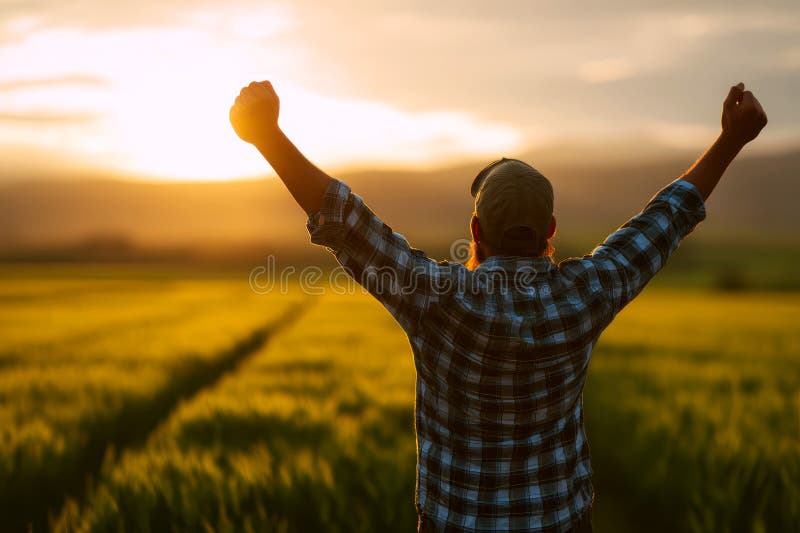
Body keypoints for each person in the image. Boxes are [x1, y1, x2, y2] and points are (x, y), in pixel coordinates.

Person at [229, 81, 767, 533]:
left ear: (475, 230)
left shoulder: (436, 299)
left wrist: (267, 136)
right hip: (559, 521)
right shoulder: (586, 294)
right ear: (550, 232)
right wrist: (730, 140)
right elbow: (666, 218)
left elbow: (348, 222)